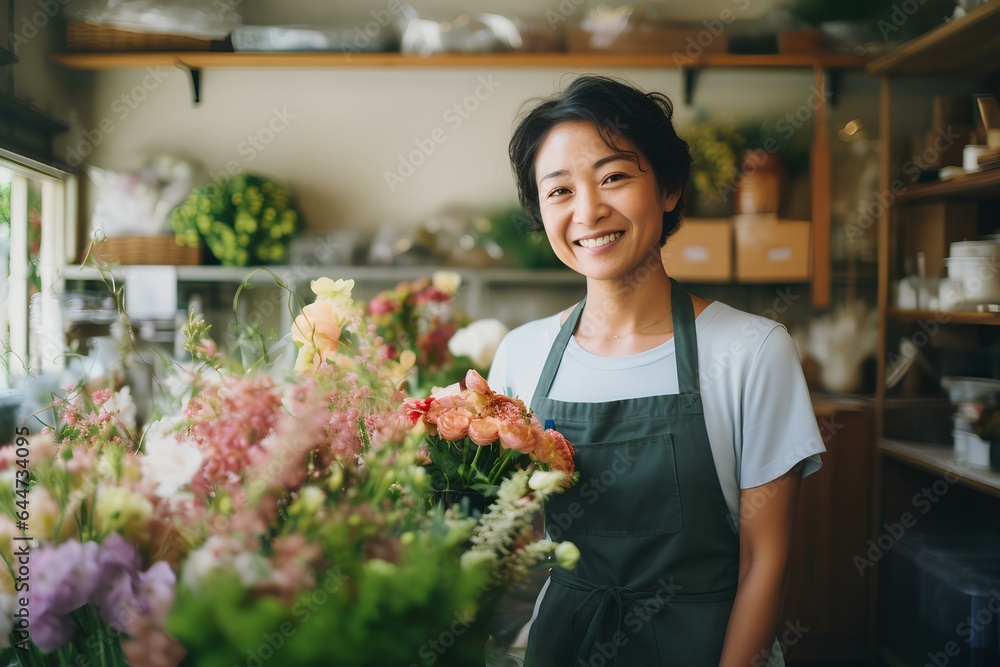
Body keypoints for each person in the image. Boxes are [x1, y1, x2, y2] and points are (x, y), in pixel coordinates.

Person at [487, 75, 825, 666]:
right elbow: (516, 541)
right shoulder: (522, 354)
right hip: (563, 644)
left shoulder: (752, 349)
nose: (589, 210)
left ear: (668, 188)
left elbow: (764, 560)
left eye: (614, 176)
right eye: (559, 190)